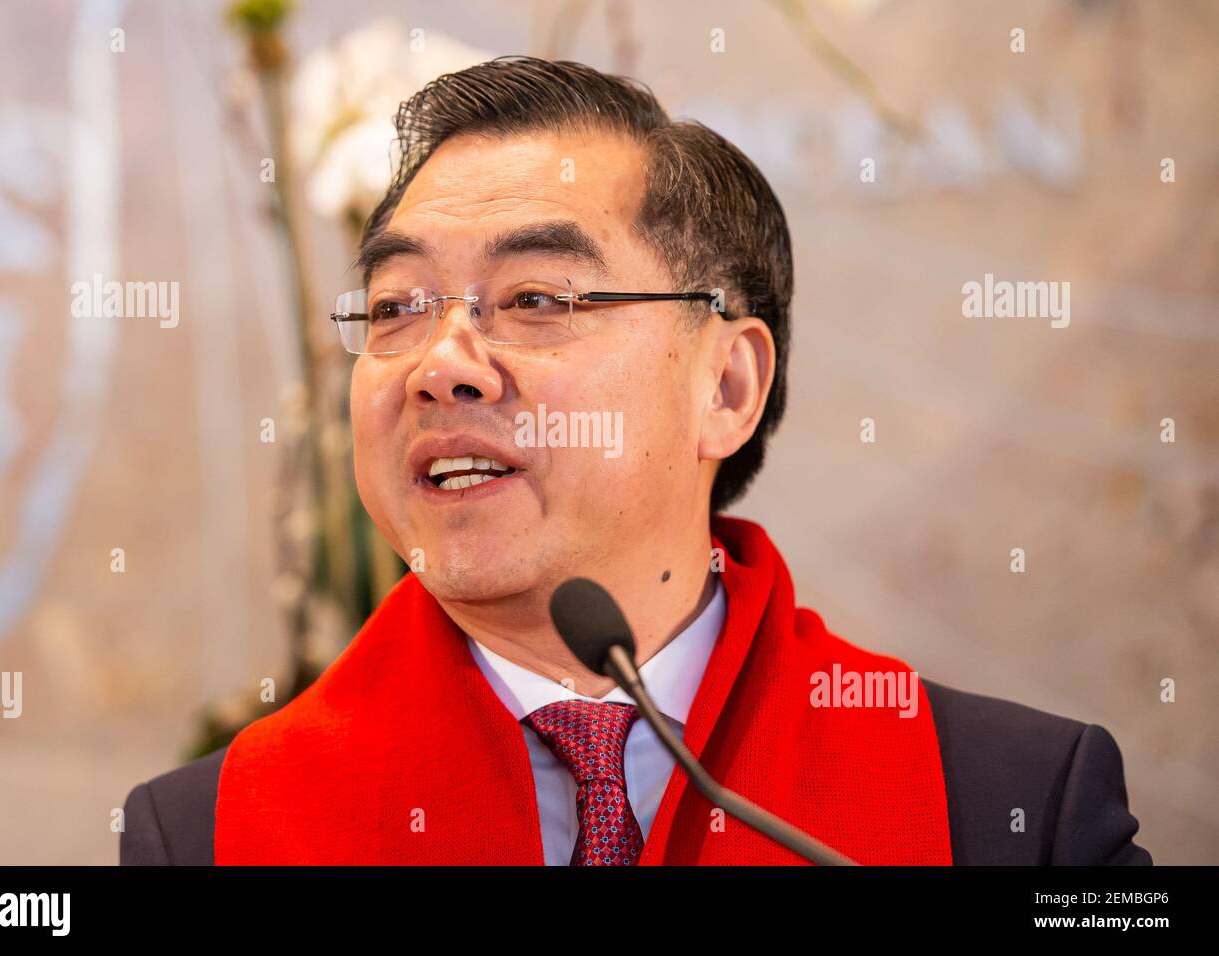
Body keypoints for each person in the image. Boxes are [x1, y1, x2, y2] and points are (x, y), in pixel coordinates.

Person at [121, 56, 1149, 866]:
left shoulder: (1014, 808)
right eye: (395, 308)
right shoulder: (206, 835)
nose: (441, 366)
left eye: (537, 298)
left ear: (726, 386)